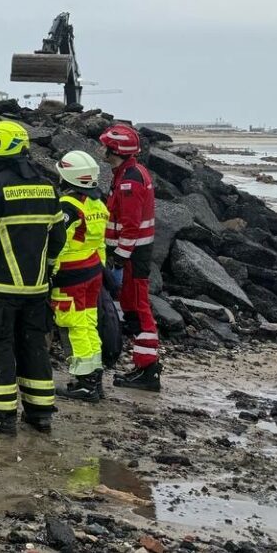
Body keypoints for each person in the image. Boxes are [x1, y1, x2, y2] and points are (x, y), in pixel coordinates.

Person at [0, 121, 66, 435]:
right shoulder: (47, 186)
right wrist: (44, 269)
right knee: (33, 345)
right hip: (36, 289)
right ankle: (40, 411)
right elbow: (58, 238)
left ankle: (0, 415)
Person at [101, 123, 162, 391]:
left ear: (116, 150)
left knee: (138, 308)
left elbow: (130, 225)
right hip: (132, 254)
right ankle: (144, 366)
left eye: (107, 146)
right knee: (132, 307)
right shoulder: (128, 173)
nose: (103, 150)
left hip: (132, 256)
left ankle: (148, 369)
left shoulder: (129, 181)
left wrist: (118, 256)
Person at [52, 150, 110, 402]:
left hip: (70, 276)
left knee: (72, 325)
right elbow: (101, 243)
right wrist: (101, 269)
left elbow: (58, 244)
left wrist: (48, 274)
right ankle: (95, 377)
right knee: (88, 323)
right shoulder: (98, 204)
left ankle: (84, 382)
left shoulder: (67, 206)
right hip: (93, 271)